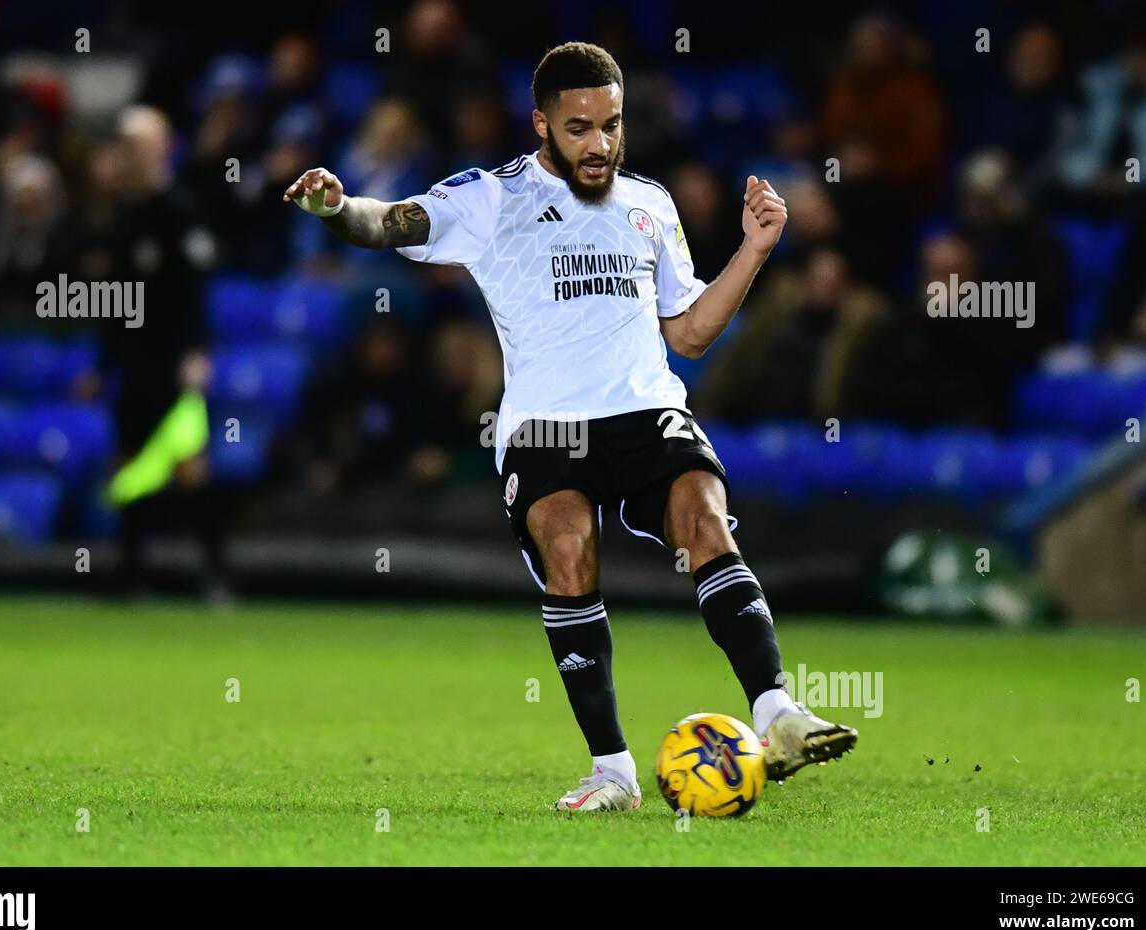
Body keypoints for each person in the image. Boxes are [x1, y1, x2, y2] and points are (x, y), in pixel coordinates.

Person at [284, 42, 857, 812]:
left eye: (611, 126)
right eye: (581, 127)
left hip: (646, 410)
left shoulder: (650, 204)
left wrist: (754, 251)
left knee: (706, 521)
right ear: (542, 125)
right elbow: (388, 222)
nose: (600, 144)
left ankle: (777, 713)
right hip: (546, 427)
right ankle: (613, 771)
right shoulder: (493, 198)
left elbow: (687, 334)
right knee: (566, 548)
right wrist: (335, 207)